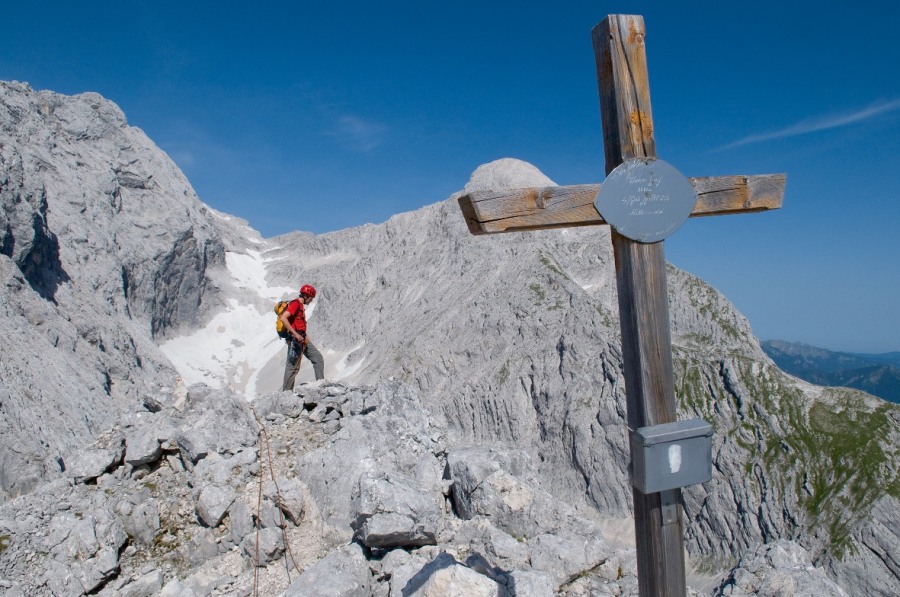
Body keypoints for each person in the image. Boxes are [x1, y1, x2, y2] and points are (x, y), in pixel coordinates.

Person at [280, 284, 325, 391]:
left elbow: (298, 322)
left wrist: (304, 334)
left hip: (302, 338)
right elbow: (283, 317)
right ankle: (286, 394)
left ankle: (321, 386)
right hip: (296, 340)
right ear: (306, 296)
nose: (311, 301)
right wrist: (295, 334)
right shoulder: (295, 304)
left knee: (318, 358)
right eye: (311, 298)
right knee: (292, 367)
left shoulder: (300, 306)